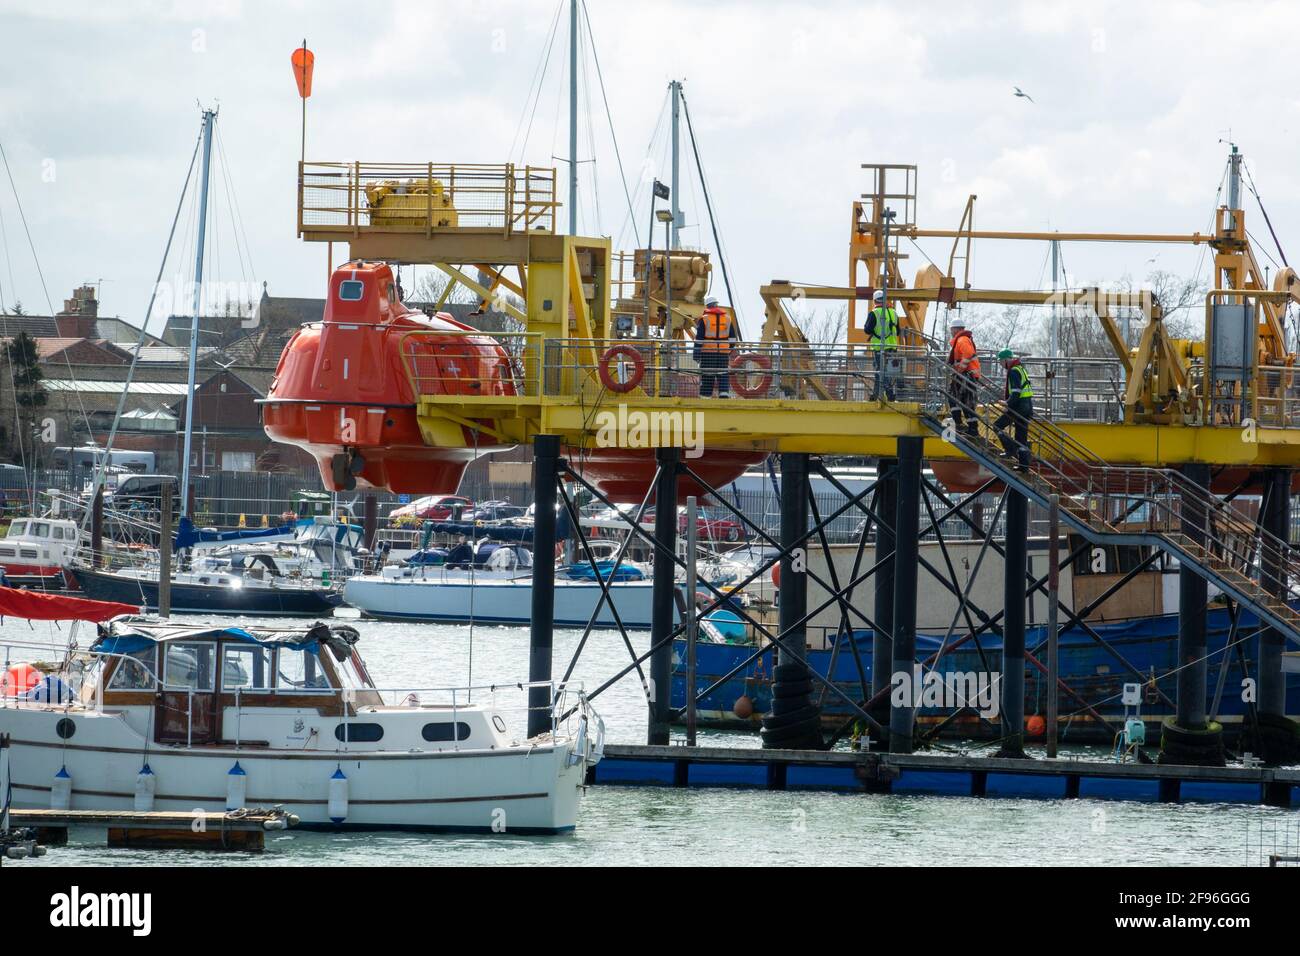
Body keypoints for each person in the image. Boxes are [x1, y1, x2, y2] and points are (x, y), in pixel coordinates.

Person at [993, 349, 1034, 470]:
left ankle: (1010, 449)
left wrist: (1007, 404)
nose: (1001, 364)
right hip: (1027, 406)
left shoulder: (1013, 371)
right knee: (1021, 437)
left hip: (1019, 407)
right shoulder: (1020, 368)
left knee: (997, 426)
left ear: (1006, 360)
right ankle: (1024, 466)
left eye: (1000, 362)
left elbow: (1016, 392)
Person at [694, 297, 738, 397]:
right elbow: (732, 339)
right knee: (723, 374)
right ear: (716, 305)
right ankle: (724, 395)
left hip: (708, 353)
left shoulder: (704, 319)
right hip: (723, 353)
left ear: (707, 306)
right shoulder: (727, 318)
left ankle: (705, 398)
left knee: (708, 375)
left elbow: (699, 339)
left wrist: (696, 354)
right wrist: (728, 349)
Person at [946, 317, 981, 437]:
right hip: (968, 375)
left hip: (966, 375)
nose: (951, 331)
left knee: (952, 396)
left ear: (955, 329)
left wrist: (960, 369)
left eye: (951, 329)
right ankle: (972, 430)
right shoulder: (964, 339)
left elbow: (968, 354)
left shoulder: (961, 340)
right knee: (967, 402)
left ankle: (959, 424)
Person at [863, 289, 900, 399]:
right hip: (893, 348)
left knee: (880, 371)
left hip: (880, 348)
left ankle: (885, 394)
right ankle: (882, 393)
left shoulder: (874, 313)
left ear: (874, 301)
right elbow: (898, 331)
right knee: (889, 372)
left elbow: (867, 330)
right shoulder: (894, 313)